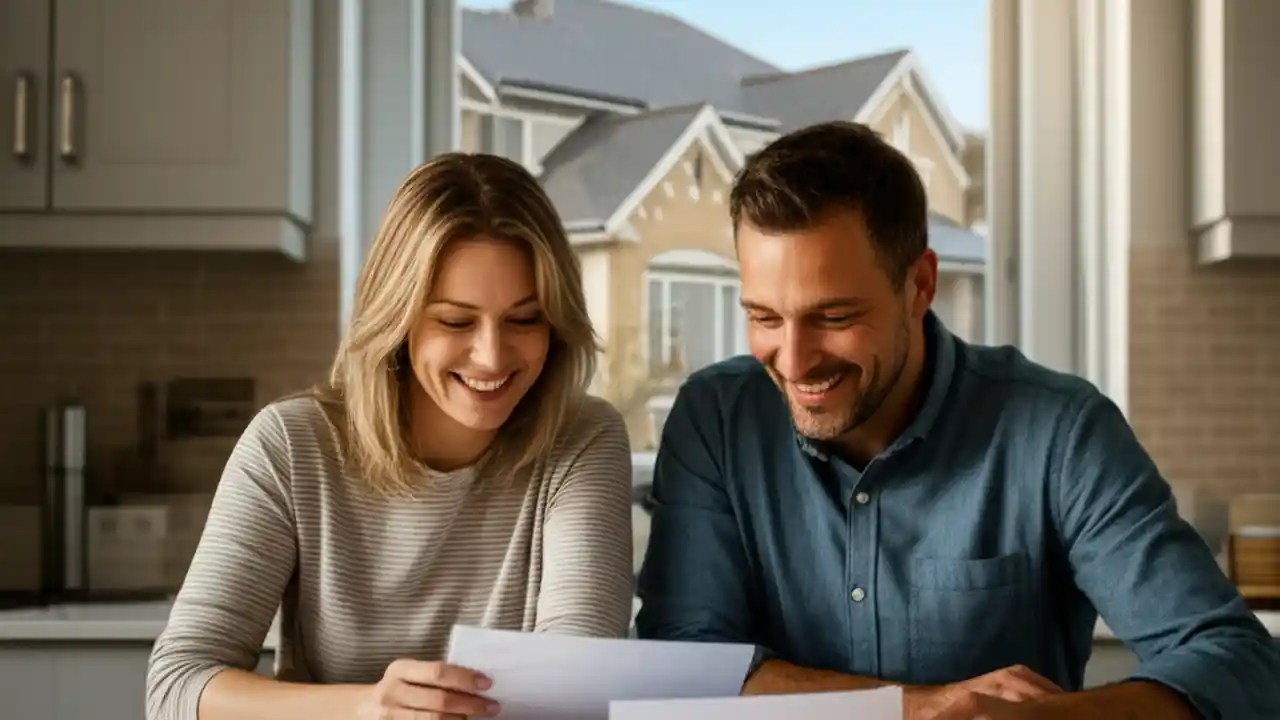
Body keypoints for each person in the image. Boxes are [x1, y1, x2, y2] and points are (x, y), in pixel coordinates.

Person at [635, 121, 1280, 720]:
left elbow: (1237, 661)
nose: (795, 360)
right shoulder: (715, 420)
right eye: (765, 318)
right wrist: (913, 707)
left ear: (919, 285)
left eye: (834, 318)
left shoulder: (1060, 432)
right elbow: (683, 665)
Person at [147, 154, 635, 720]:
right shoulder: (290, 445)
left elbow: (574, 686)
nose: (493, 354)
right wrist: (364, 709)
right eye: (456, 321)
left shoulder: (583, 440)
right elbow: (176, 687)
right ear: (398, 320)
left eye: (525, 320)